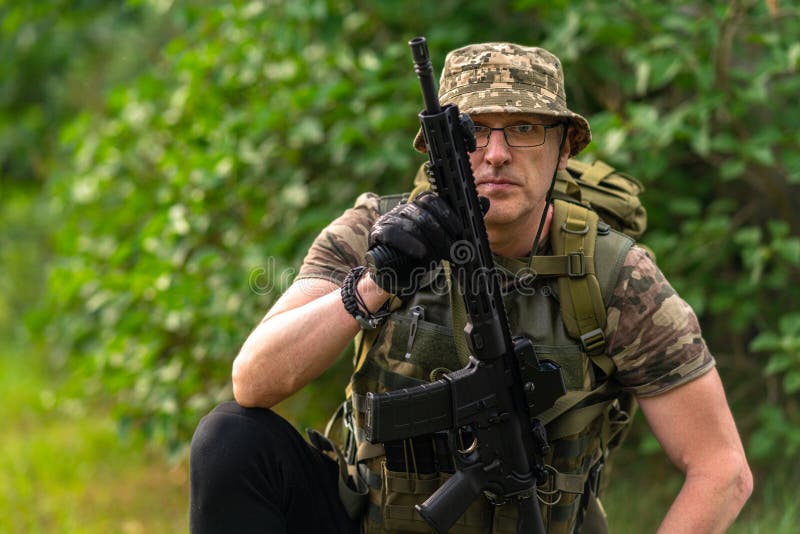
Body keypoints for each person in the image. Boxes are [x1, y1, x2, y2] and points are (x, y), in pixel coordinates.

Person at [189, 42, 752, 533]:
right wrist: (377, 282)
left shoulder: (614, 274)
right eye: (474, 131)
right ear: (440, 149)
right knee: (232, 438)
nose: (497, 153)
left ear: (563, 149)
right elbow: (254, 380)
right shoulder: (375, 233)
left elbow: (722, 470)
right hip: (373, 523)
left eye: (525, 129)